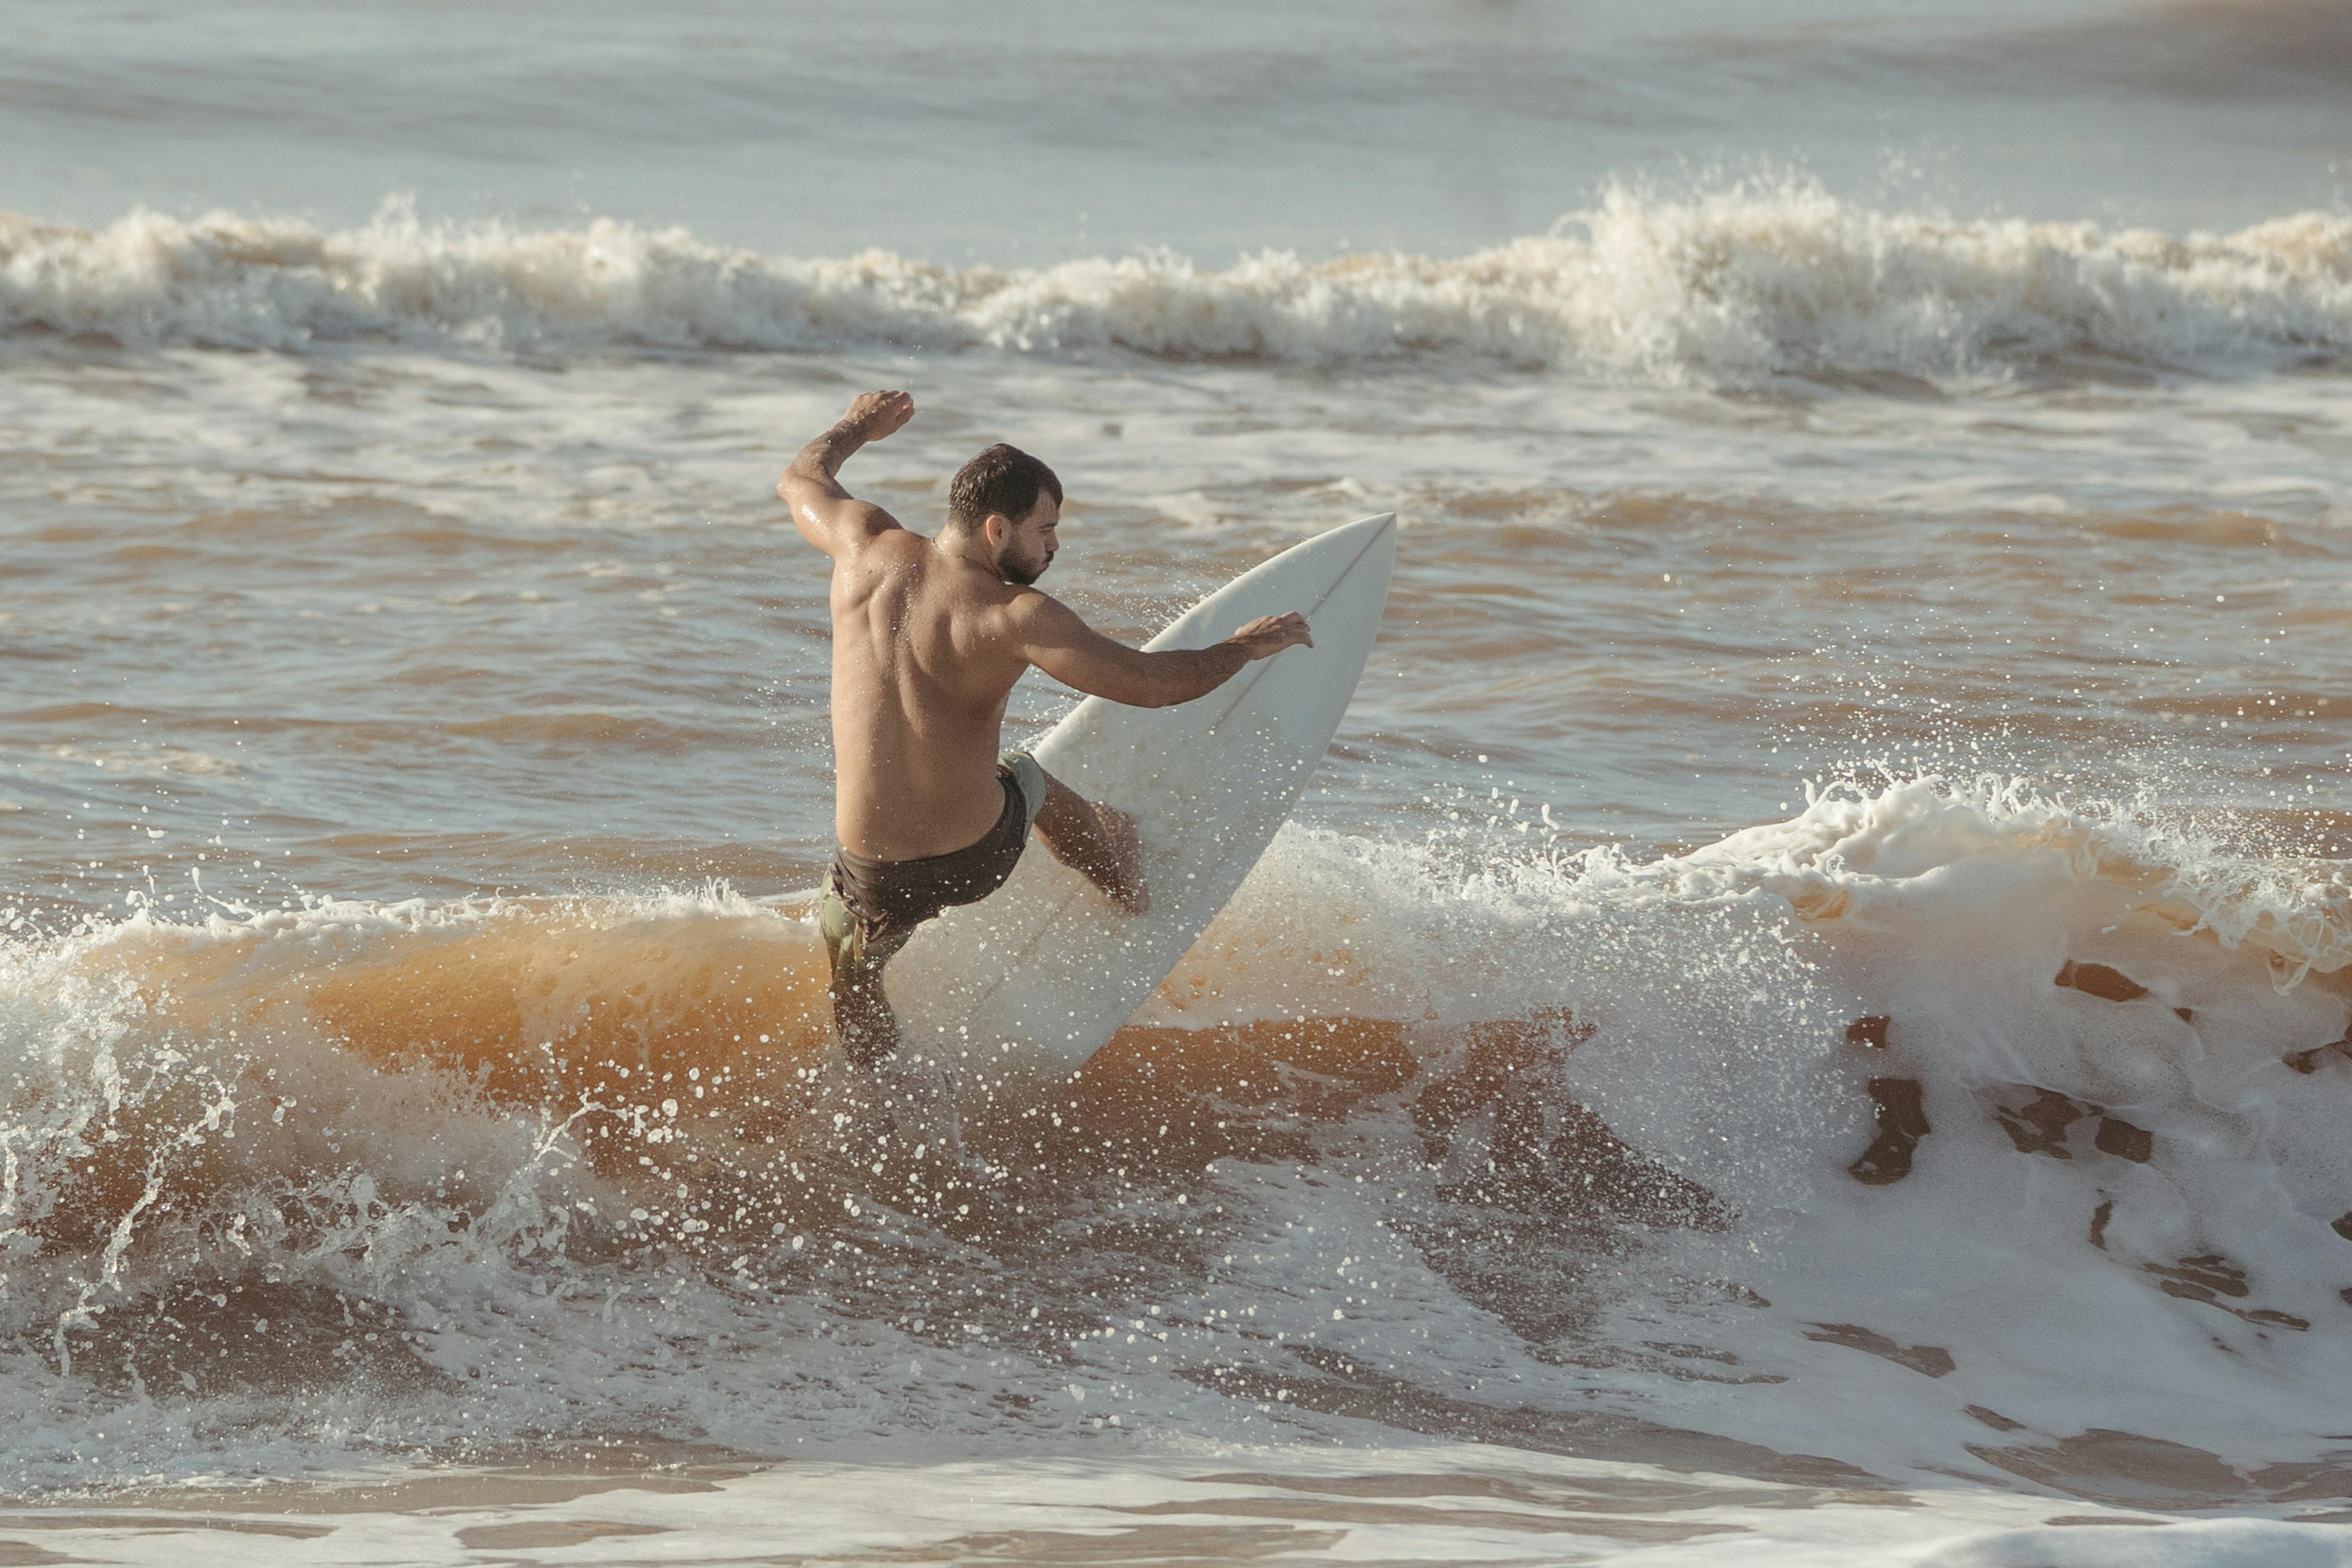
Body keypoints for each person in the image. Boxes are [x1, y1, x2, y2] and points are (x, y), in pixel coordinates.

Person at [779, 390, 1312, 1070]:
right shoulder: (1016, 615)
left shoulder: (861, 545)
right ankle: (1120, 873)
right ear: (996, 530)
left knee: (855, 974)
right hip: (971, 858)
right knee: (1027, 776)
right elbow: (1153, 686)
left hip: (873, 872)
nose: (1056, 545)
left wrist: (859, 424)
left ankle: (882, 1096)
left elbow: (801, 478)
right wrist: (1242, 647)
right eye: (1046, 529)